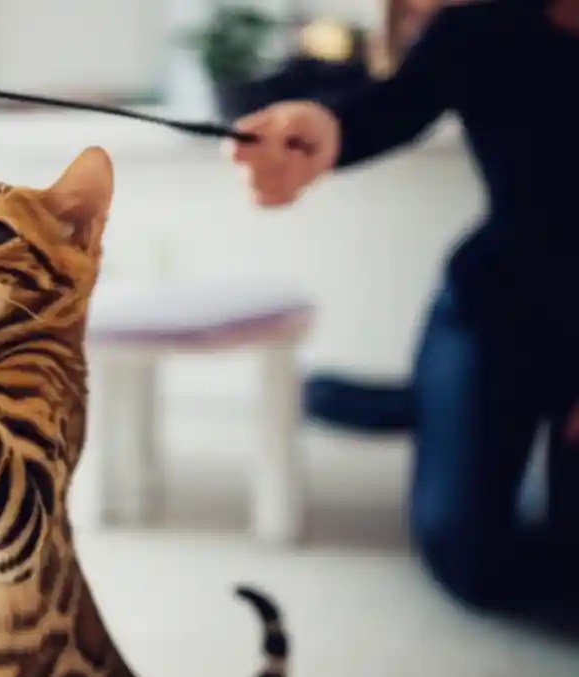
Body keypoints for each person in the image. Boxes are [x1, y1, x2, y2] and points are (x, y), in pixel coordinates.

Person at [229, 0, 578, 616]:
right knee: (468, 555)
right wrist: (321, 130)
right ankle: (429, 401)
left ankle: (421, 402)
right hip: (491, 309)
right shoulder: (475, 28)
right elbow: (388, 109)